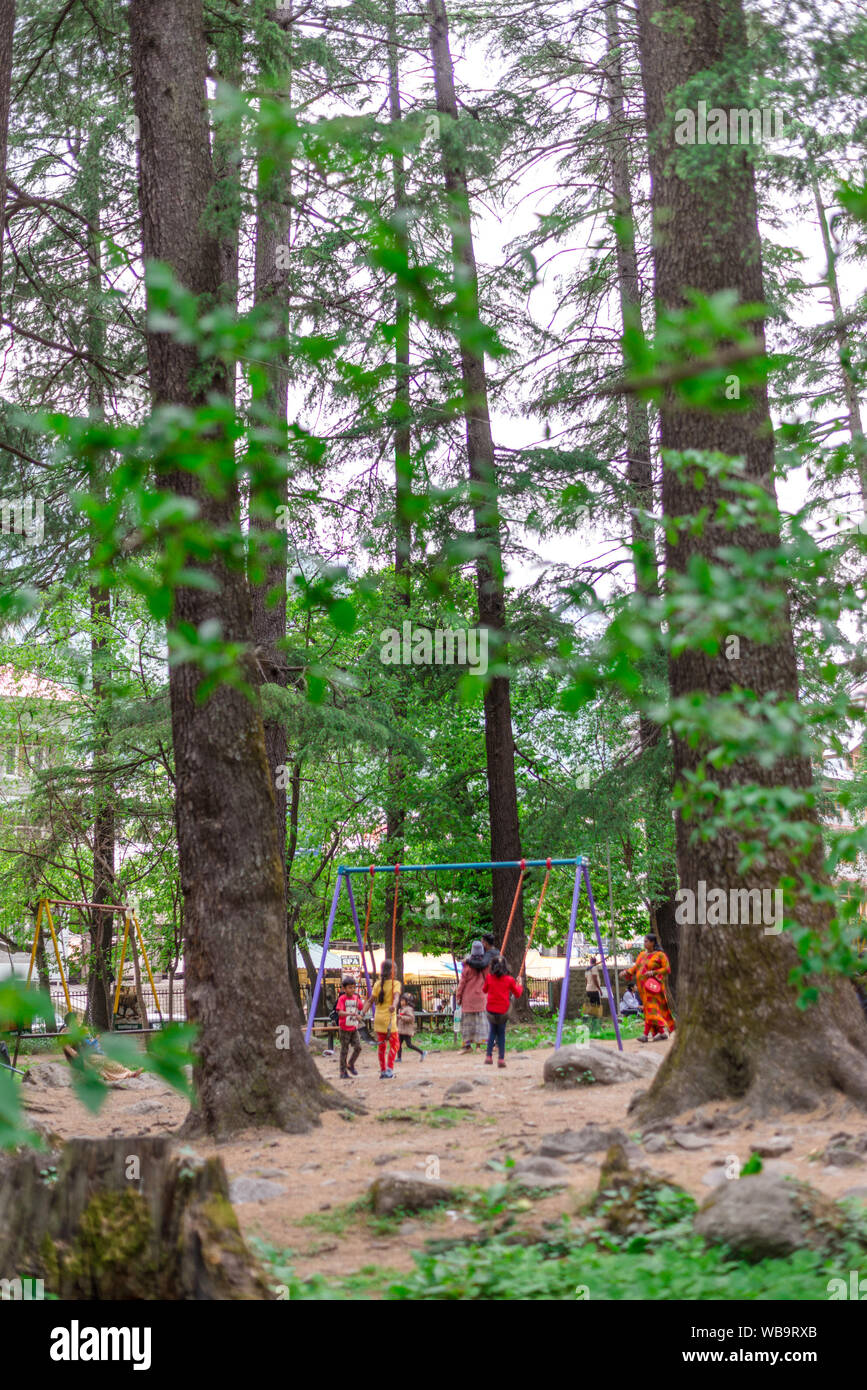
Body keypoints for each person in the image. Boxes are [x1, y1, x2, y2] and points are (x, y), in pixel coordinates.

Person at [620, 935, 675, 1042]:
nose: (644, 943)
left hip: (654, 987)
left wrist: (654, 972)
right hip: (643, 988)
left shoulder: (660, 955)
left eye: (646, 941)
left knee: (650, 1009)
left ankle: (645, 1035)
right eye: (644, 941)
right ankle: (662, 1033)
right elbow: (636, 967)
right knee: (649, 1010)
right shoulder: (642, 955)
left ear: (653, 942)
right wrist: (626, 972)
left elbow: (667, 969)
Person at [361, 960, 403, 1077]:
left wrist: (362, 1013)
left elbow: (370, 1001)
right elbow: (396, 997)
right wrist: (394, 1006)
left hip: (378, 1019)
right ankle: (389, 1069)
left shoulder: (377, 984)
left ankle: (383, 1070)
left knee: (382, 1045)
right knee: (395, 1044)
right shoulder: (396, 983)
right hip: (389, 1020)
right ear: (392, 971)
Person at [483, 953, 523, 1068]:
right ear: (506, 966)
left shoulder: (489, 978)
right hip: (503, 1011)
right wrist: (519, 984)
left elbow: (484, 990)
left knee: (491, 1032)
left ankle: (488, 1056)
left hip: (490, 1010)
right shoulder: (509, 980)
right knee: (501, 1034)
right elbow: (518, 993)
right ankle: (501, 1059)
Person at [455, 939, 490, 1053]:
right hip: (481, 998)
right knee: (480, 1023)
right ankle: (479, 1047)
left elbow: (462, 983)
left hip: (468, 1000)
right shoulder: (485, 967)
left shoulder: (467, 967)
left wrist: (458, 996)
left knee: (467, 1023)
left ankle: (467, 1046)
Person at [335, 974, 363, 1079]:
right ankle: (343, 1071)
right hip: (344, 1028)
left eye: (353, 987)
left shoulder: (356, 998)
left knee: (358, 1047)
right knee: (344, 1049)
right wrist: (349, 1014)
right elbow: (340, 1013)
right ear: (344, 988)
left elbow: (361, 1007)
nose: (352, 989)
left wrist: (360, 1015)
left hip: (353, 1028)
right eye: (350, 987)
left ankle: (350, 1064)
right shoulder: (342, 999)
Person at [396, 993, 426, 1063]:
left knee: (409, 1045)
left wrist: (401, 1017)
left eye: (403, 1001)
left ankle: (422, 1052)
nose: (401, 1002)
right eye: (401, 1001)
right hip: (401, 1030)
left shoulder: (409, 1009)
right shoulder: (401, 1009)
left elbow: (411, 1018)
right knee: (398, 1044)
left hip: (406, 1031)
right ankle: (399, 1058)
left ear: (407, 1001)